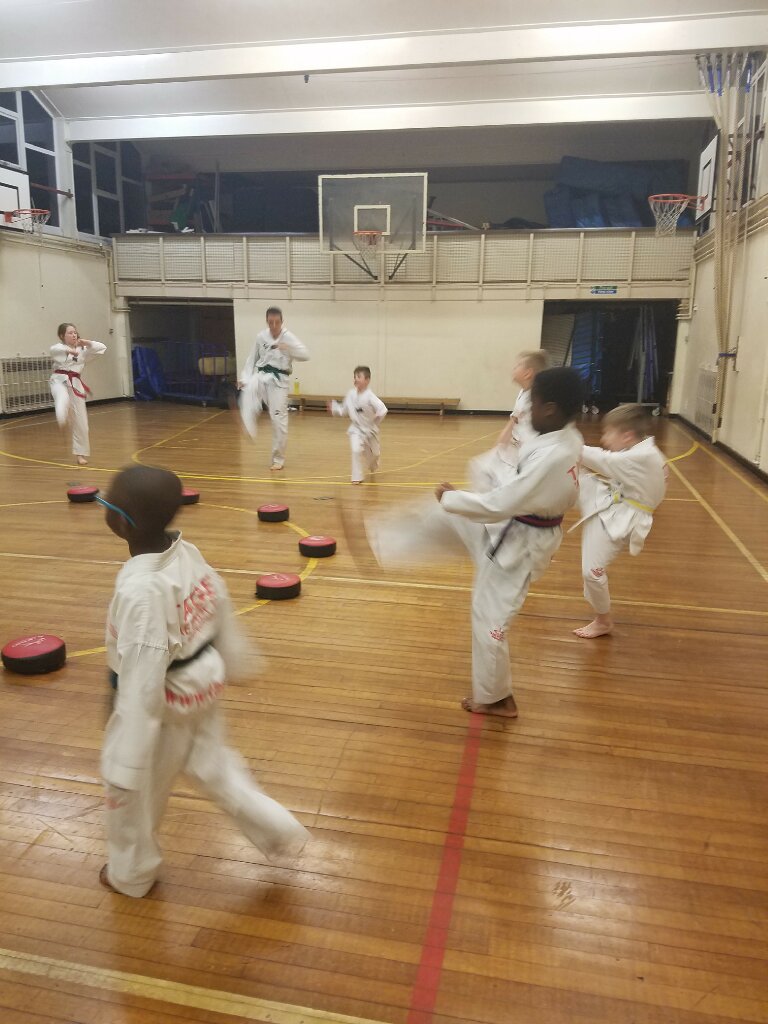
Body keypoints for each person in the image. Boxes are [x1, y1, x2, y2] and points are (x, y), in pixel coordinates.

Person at [98, 465, 309, 897]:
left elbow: (142, 675)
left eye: (107, 502)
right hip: (205, 685)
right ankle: (279, 830)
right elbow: (219, 603)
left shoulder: (142, 591)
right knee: (216, 768)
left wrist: (126, 755)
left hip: (165, 705)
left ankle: (131, 873)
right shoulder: (185, 552)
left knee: (134, 798)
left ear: (121, 521)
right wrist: (238, 661)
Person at [366, 367, 584, 719]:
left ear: (551, 409)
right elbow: (516, 489)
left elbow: (502, 503)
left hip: (518, 542)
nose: (528, 411)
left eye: (535, 403)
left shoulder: (554, 454)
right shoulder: (567, 437)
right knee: (445, 516)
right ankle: (383, 540)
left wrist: (454, 497)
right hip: (511, 526)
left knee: (489, 616)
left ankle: (498, 699)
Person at [572, 403, 667, 639]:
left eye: (607, 433)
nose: (603, 439)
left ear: (627, 435)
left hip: (624, 516)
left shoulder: (642, 456)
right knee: (571, 475)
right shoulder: (642, 449)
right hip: (615, 499)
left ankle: (603, 620)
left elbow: (604, 460)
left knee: (591, 573)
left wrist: (566, 443)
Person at [238, 307, 310, 470]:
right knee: (248, 391)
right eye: (271, 322)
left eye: (277, 322)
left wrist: (288, 348)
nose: (274, 325)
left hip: (279, 382)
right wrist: (245, 378)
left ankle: (278, 459)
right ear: (267, 321)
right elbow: (252, 359)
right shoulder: (261, 337)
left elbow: (306, 354)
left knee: (278, 420)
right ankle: (249, 427)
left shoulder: (288, 337)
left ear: (282, 322)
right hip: (262, 376)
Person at [469, 349, 550, 492]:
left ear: (528, 373)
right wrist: (500, 445)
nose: (514, 368)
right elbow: (513, 421)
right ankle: (487, 504)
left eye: (518, 365)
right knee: (481, 466)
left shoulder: (535, 398)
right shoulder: (522, 393)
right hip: (516, 450)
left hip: (528, 455)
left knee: (505, 483)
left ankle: (498, 506)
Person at [49, 323, 106, 466]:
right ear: (62, 336)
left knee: (82, 423)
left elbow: (102, 348)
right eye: (70, 333)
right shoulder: (59, 348)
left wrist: (86, 342)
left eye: (75, 332)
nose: (74, 335)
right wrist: (71, 350)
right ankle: (63, 417)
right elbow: (55, 349)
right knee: (62, 400)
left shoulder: (83, 350)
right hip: (59, 381)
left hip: (75, 383)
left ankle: (80, 454)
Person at [327, 366, 388, 484]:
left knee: (375, 454)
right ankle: (357, 477)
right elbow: (344, 410)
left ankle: (373, 464)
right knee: (355, 450)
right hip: (356, 429)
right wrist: (334, 408)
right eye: (355, 377)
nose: (356, 379)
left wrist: (377, 418)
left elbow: (383, 409)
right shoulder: (350, 394)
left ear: (367, 380)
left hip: (370, 429)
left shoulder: (370, 396)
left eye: (359, 377)